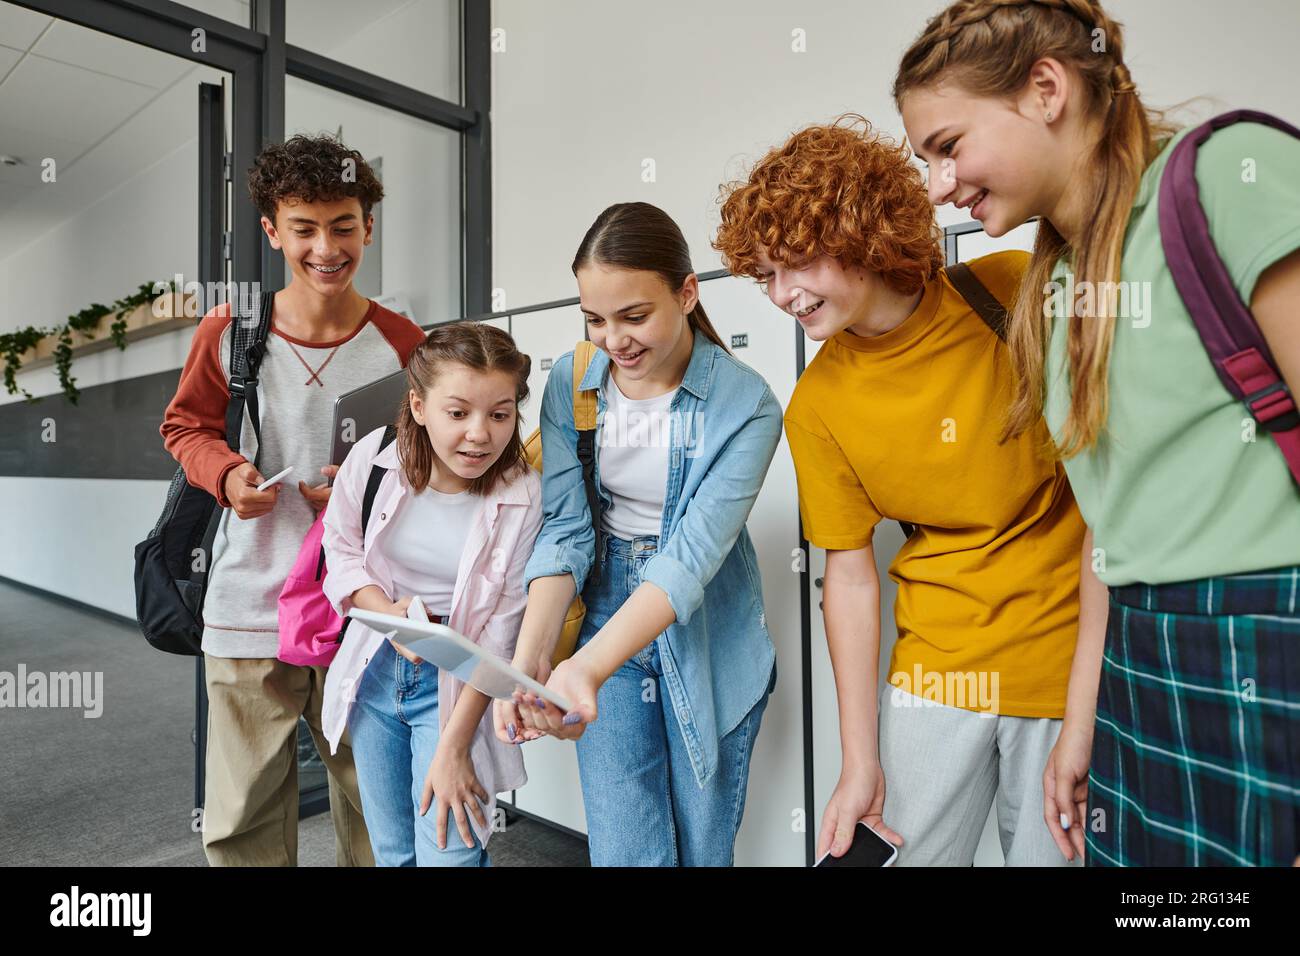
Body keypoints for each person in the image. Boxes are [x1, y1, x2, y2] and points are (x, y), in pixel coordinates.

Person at [896, 0, 1300, 866]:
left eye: (948, 146)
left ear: (1047, 87)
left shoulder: (1225, 174)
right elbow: (1108, 530)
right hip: (1140, 664)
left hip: (1266, 642)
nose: (938, 186)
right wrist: (1082, 722)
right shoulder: (1055, 289)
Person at [713, 115, 1086, 866]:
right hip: (936, 668)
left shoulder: (1010, 294)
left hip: (1064, 657)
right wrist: (860, 760)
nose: (782, 294)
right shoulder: (816, 407)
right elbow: (847, 577)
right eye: (766, 275)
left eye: (797, 263)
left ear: (863, 231)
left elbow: (1109, 480)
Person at [160, 134, 425, 866]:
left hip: (361, 609)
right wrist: (227, 476)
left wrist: (366, 486)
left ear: (368, 226)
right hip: (248, 604)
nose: (326, 247)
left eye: (343, 225)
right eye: (304, 229)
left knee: (377, 807)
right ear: (273, 231)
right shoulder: (231, 329)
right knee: (243, 813)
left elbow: (431, 462)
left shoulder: (407, 344)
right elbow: (185, 427)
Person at [499, 201, 782, 866]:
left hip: (710, 627)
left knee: (701, 846)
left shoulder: (747, 405)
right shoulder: (572, 383)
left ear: (687, 294)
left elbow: (688, 560)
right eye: (594, 319)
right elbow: (566, 531)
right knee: (628, 850)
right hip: (604, 611)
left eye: (633, 316)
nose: (612, 339)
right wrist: (535, 657)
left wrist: (584, 669)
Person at [320, 322, 541, 866]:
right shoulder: (374, 458)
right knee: (394, 854)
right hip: (375, 672)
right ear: (418, 405)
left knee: (450, 854)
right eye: (458, 412)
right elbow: (340, 550)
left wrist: (455, 745)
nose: (480, 435)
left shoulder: (522, 492)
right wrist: (388, 614)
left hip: (461, 686)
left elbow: (501, 635)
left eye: (500, 413)